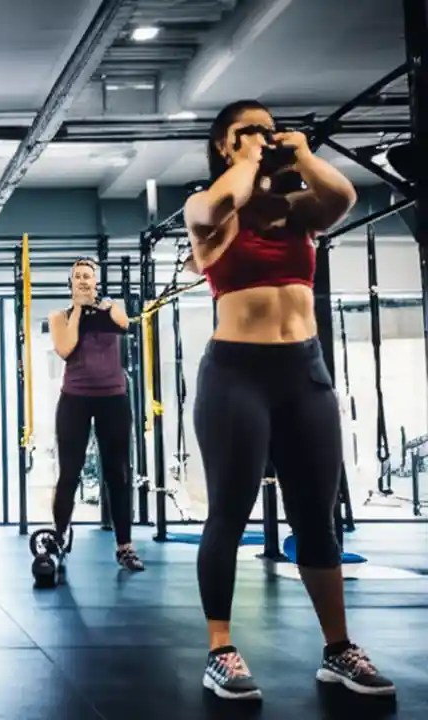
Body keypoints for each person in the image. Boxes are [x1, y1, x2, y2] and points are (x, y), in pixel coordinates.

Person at [185, 100, 394, 700]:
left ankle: (338, 649)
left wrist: (302, 152)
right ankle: (220, 650)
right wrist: (249, 158)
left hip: (304, 372)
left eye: (266, 127)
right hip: (235, 375)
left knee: (317, 516)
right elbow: (216, 203)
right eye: (244, 130)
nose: (261, 135)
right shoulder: (211, 211)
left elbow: (344, 199)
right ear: (224, 146)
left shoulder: (299, 210)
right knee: (229, 510)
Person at [44, 258, 144, 572]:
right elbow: (66, 348)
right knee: (69, 475)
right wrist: (77, 311)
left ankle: (124, 547)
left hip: (113, 399)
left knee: (118, 474)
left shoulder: (112, 308)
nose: (84, 281)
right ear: (70, 283)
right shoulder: (59, 317)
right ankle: (59, 539)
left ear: (96, 281)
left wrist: (97, 305)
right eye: (78, 277)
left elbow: (125, 324)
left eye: (88, 276)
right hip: (75, 400)